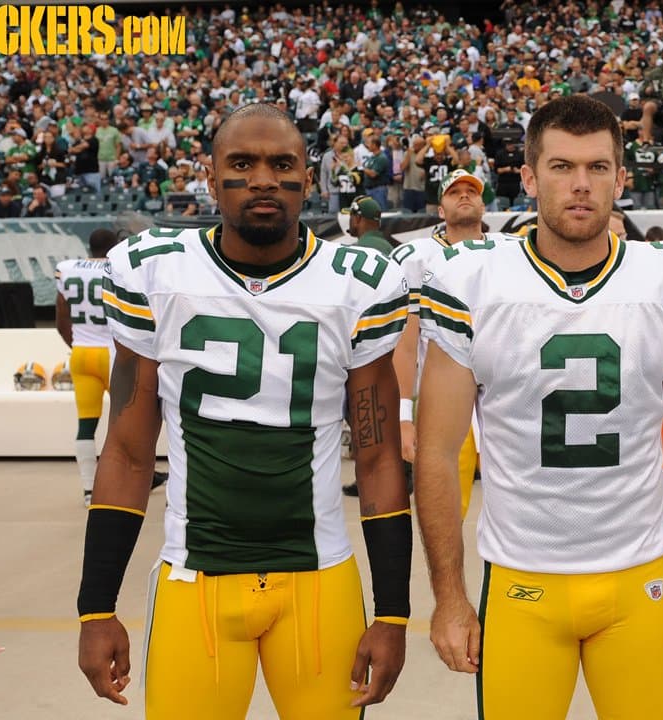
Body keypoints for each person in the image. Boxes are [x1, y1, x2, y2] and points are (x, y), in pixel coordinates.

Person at [76, 103, 412, 717]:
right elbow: (126, 449)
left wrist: (393, 611)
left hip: (319, 577)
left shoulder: (357, 283)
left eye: (282, 164)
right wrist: (96, 606)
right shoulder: (155, 271)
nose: (262, 179)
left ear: (308, 180)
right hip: (193, 576)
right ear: (211, 177)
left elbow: (379, 454)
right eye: (242, 163)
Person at [415, 95, 663, 718]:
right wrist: (449, 594)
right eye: (561, 167)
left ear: (622, 177)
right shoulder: (471, 280)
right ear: (530, 178)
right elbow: (435, 448)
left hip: (639, 579)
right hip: (520, 579)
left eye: (596, 167)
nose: (581, 185)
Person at [369, 169, 513, 510]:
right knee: (446, 511)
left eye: (472, 191)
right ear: (441, 209)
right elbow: (405, 344)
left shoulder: (511, 251)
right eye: (454, 192)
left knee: (515, 508)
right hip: (445, 397)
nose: (464, 195)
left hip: (506, 394)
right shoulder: (415, 257)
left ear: (482, 204)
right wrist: (404, 416)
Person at [54, 228, 168, 506]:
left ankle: (88, 489)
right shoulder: (118, 266)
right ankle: (139, 478)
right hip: (115, 355)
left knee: (85, 424)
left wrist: (77, 345)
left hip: (81, 353)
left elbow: (61, 319)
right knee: (134, 422)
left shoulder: (67, 269)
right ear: (113, 246)